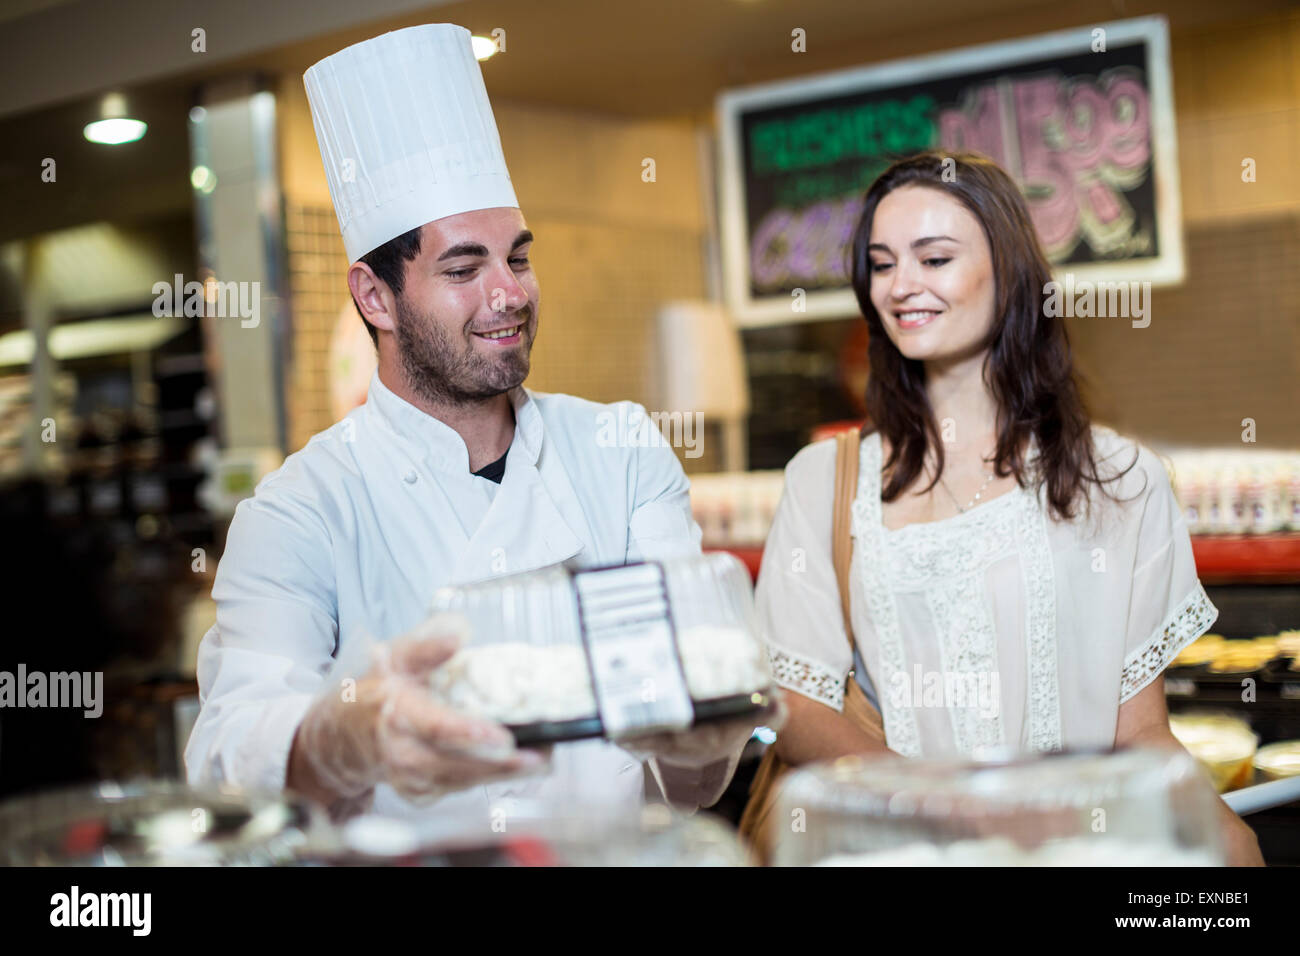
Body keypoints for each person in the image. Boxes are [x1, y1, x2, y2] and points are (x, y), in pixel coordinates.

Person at [185, 24, 759, 825]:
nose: (510, 293)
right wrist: (345, 734)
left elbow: (689, 764)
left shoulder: (619, 450)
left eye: (517, 259)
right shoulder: (300, 511)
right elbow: (229, 747)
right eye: (464, 268)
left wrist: (704, 725)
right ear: (374, 297)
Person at [755, 150, 1264, 866]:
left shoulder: (1119, 478)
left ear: (1009, 270)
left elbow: (1138, 732)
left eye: (934, 259)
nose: (901, 286)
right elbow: (797, 705)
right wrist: (961, 812)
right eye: (881, 263)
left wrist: (1224, 835)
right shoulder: (825, 479)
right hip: (906, 848)